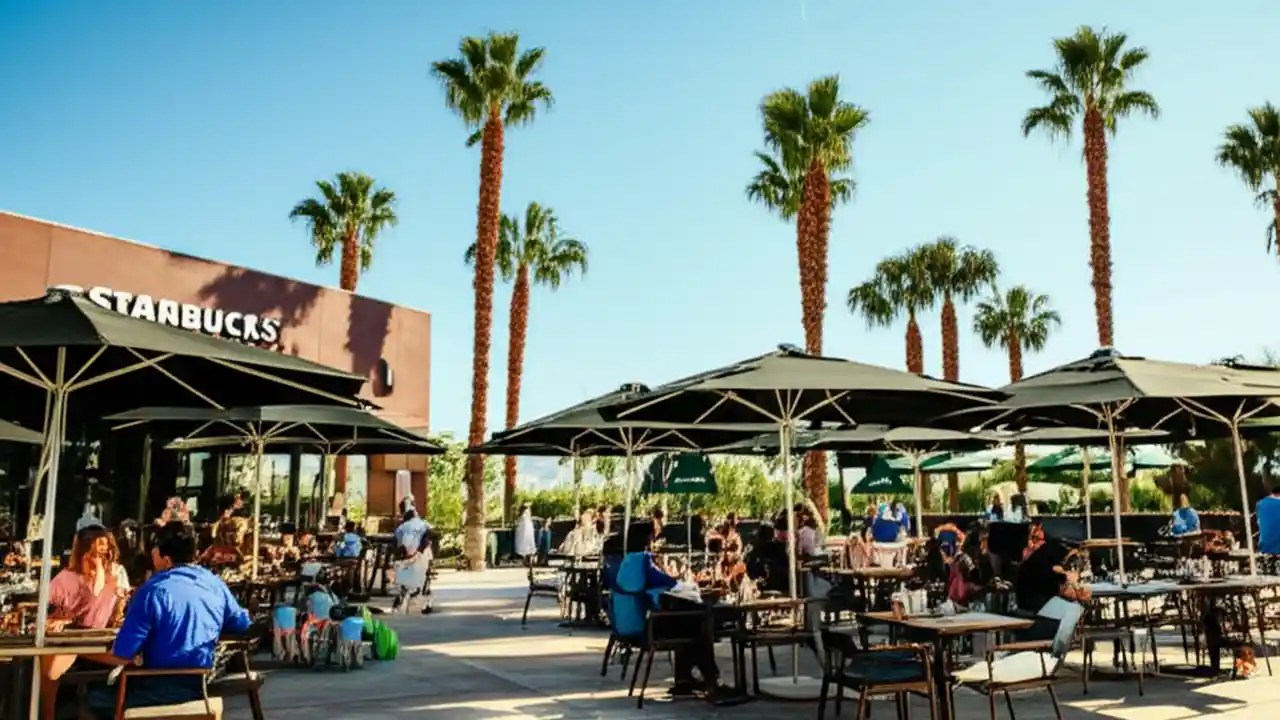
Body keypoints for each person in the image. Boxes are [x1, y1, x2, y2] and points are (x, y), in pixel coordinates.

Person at [86, 522, 251, 718]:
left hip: (160, 687)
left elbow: (123, 654)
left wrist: (82, 655)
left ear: (163, 556)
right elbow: (241, 624)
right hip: (205, 682)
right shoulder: (214, 583)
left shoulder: (152, 591)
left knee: (93, 698)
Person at [610, 551, 746, 704]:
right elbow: (667, 582)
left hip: (631, 627)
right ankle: (713, 683)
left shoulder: (624, 566)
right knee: (699, 624)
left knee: (688, 621)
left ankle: (684, 680)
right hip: (648, 628)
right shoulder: (642, 562)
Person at [41, 526, 131, 720]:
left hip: (101, 640)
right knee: (49, 670)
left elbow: (99, 596)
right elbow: (44, 610)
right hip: (72, 639)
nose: (103, 550)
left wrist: (100, 570)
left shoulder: (115, 574)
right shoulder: (66, 578)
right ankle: (46, 713)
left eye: (105, 545)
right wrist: (56, 619)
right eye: (97, 545)